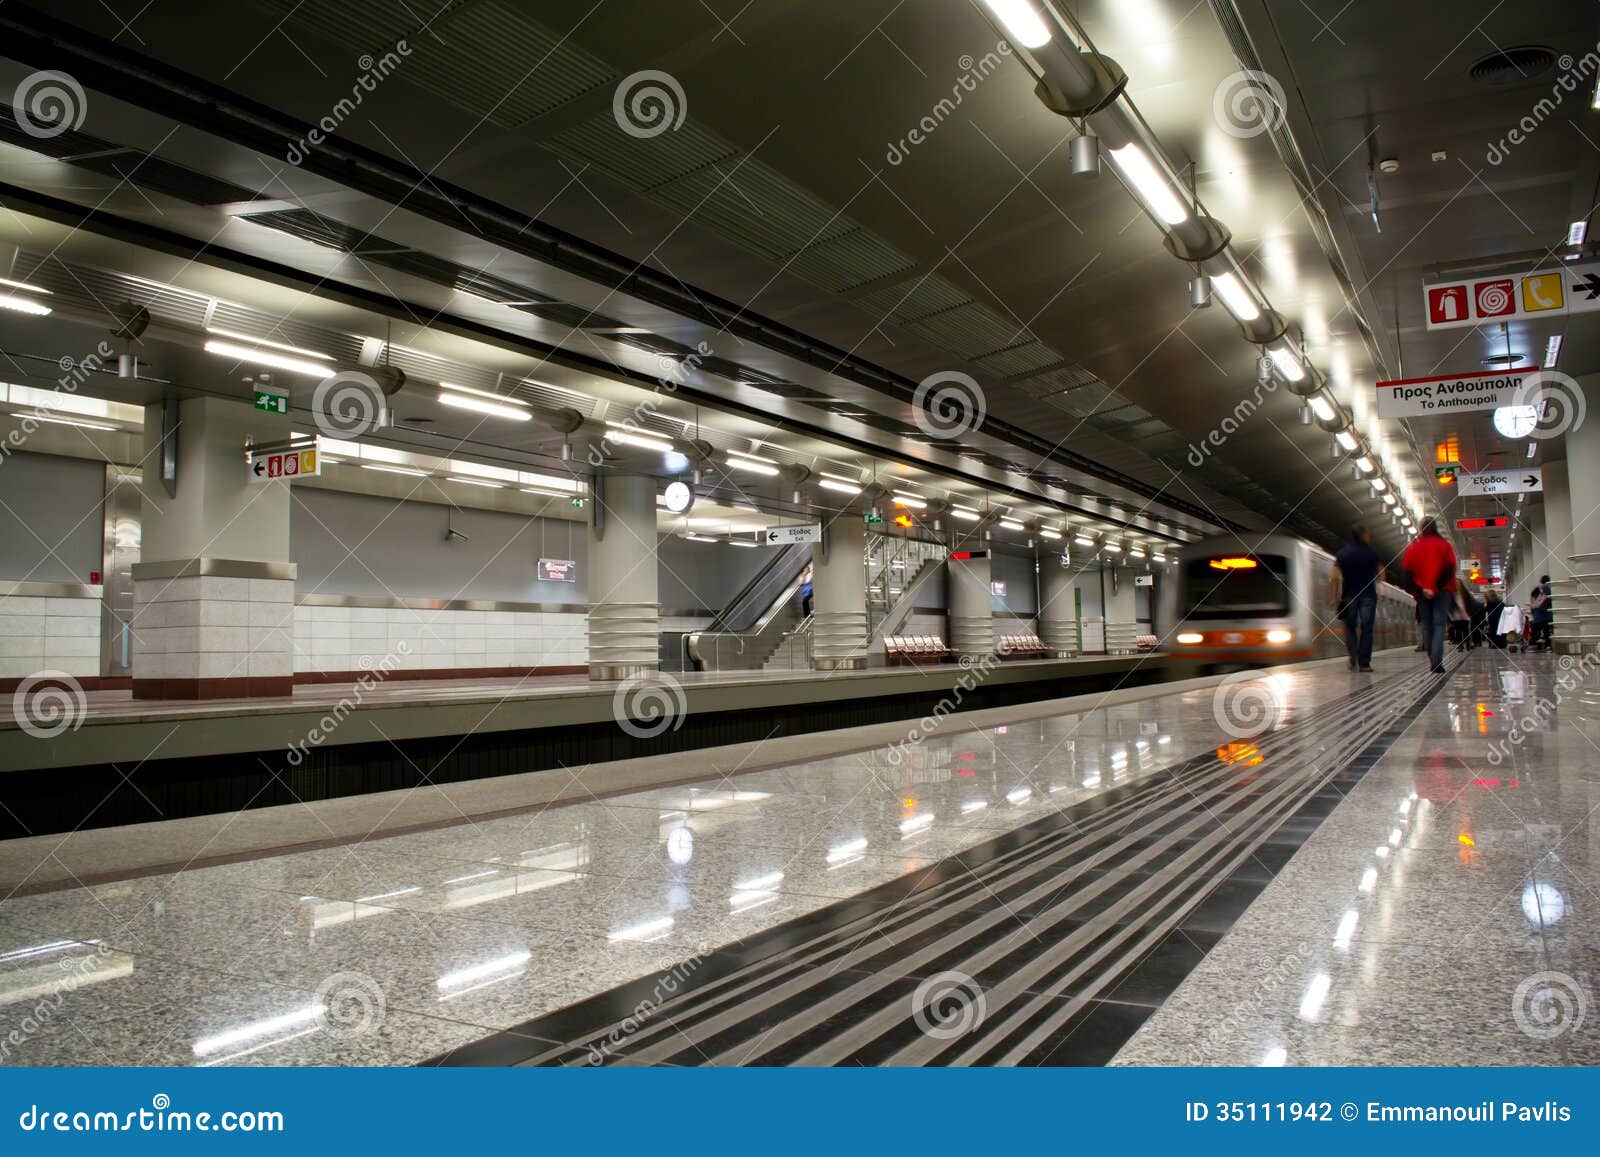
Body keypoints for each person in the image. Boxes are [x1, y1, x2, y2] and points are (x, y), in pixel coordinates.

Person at [1400, 518, 1458, 674]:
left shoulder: (1412, 548)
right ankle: (1437, 661)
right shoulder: (1445, 546)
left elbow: (1406, 574)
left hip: (1422, 594)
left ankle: (1432, 658)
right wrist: (1436, 587)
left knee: (1427, 625)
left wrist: (1421, 590)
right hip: (1442, 591)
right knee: (1439, 624)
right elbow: (1450, 569)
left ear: (1420, 528)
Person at [1331, 523, 1383, 672]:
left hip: (1349, 597)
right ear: (1364, 535)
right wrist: (1373, 580)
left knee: (1350, 627)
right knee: (1367, 629)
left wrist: (1334, 596)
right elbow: (1382, 575)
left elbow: (1334, 577)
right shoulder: (1372, 553)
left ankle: (1353, 658)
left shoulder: (1342, 554)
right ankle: (1364, 663)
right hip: (1368, 596)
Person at [1529, 575, 1553, 651]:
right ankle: (1548, 646)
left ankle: (1534, 645)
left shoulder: (1537, 588)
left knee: (1535, 631)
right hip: (1547, 614)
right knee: (1547, 631)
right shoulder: (1550, 589)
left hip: (1538, 614)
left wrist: (1533, 610)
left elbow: (1532, 600)